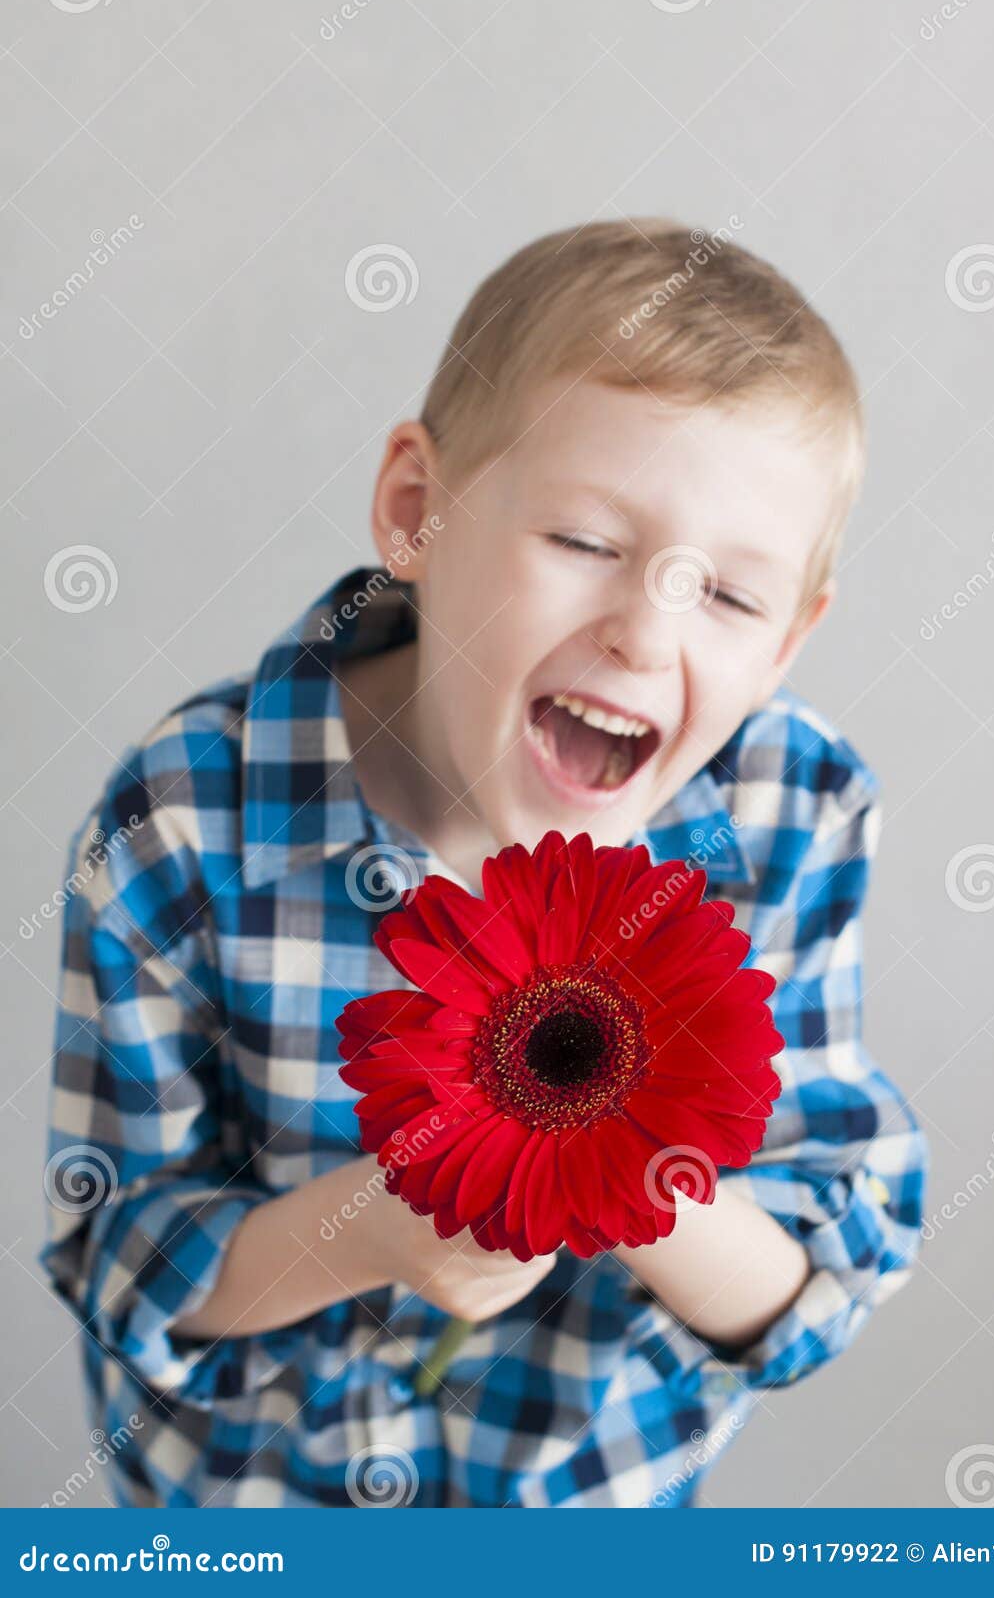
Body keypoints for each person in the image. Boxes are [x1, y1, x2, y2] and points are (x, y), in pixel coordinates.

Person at [40, 218, 928, 1507]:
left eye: (730, 598)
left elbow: (812, 1288)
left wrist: (625, 1163)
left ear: (788, 642)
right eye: (585, 543)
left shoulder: (793, 816)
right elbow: (119, 1251)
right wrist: (380, 1227)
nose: (640, 632)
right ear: (419, 511)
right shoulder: (189, 817)